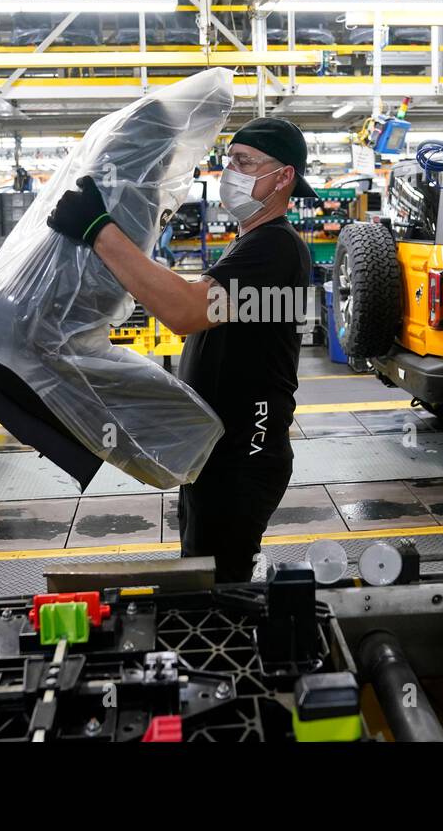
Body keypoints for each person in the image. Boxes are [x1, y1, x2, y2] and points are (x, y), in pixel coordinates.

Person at [47, 117, 312, 582]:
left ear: (284, 177)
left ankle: (230, 649)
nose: (231, 172)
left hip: (246, 452)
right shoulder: (252, 242)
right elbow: (196, 300)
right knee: (201, 572)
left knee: (217, 586)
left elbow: (186, 311)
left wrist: (99, 230)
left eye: (245, 162)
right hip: (218, 448)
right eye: (229, 161)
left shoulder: (275, 247)